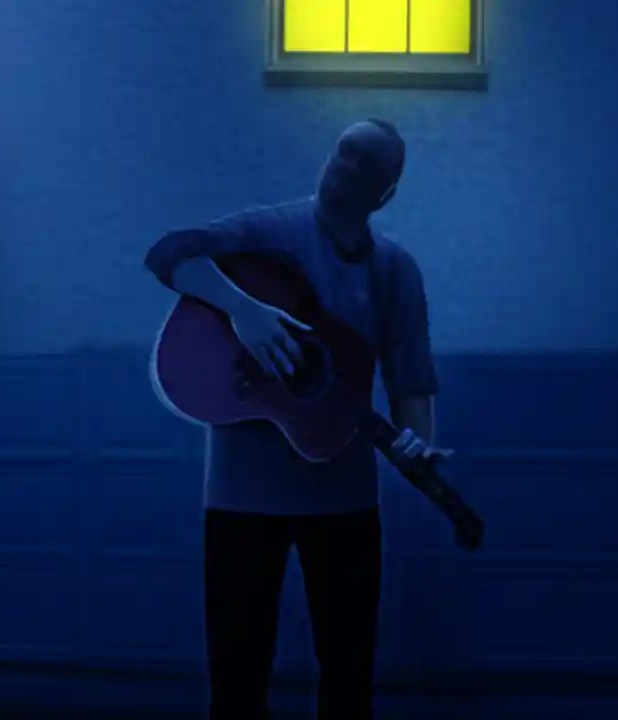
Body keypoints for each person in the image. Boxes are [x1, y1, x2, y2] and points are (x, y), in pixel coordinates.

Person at [143, 119, 450, 720]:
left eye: (369, 164)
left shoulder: (395, 271)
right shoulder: (266, 232)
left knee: (347, 670)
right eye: (346, 151)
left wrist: (423, 447)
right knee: (237, 672)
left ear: (386, 192)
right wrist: (244, 311)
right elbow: (169, 254)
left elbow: (410, 381)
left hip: (344, 499)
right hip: (240, 497)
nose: (349, 166)